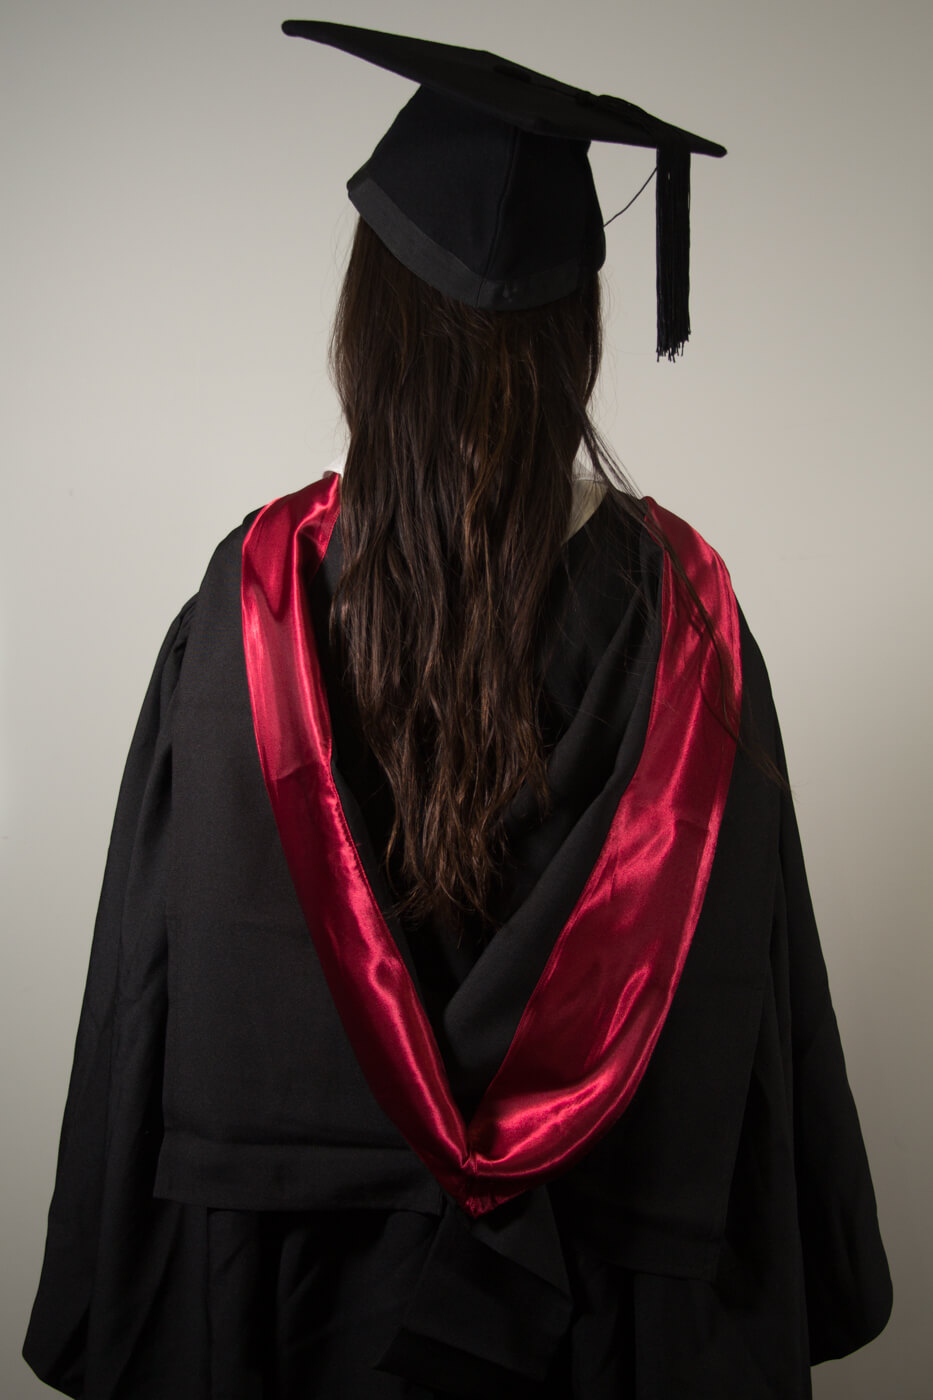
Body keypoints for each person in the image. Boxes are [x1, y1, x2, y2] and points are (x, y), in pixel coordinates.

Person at [23, 20, 893, 1400]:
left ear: (364, 320)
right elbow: (759, 1008)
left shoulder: (246, 609)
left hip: (288, 1300)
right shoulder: (685, 626)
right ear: (579, 334)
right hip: (603, 1310)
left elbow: (151, 980)